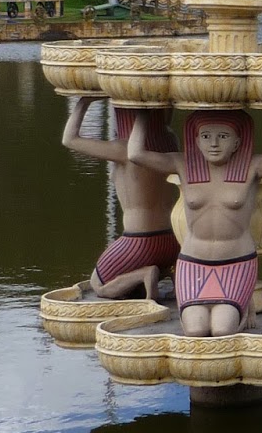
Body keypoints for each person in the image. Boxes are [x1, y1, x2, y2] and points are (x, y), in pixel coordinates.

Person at [130, 109, 262, 337]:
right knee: (196, 330)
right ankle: (241, 307)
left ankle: (242, 303)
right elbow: (136, 155)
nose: (214, 144)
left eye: (223, 136)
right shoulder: (183, 163)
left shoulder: (252, 165)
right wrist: (143, 113)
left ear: (238, 142)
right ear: (196, 140)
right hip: (193, 263)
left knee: (222, 329)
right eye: (207, 136)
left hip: (236, 263)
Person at [63, 97, 180, 301]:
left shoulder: (123, 149)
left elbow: (69, 139)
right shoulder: (170, 142)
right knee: (136, 282)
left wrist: (83, 102)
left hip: (140, 241)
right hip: (173, 242)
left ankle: (145, 273)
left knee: (98, 285)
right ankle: (174, 279)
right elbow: (165, 120)